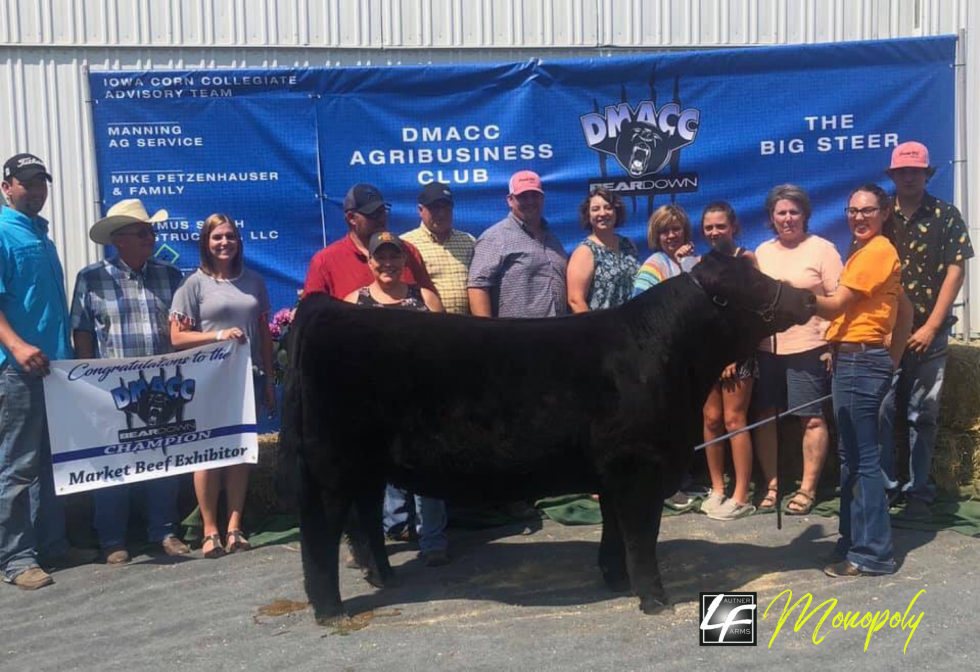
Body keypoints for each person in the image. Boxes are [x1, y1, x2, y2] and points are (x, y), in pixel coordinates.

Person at [70, 199, 191, 564]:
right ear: (119, 239)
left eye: (151, 231)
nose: (150, 237)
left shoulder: (170, 275)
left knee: (163, 459)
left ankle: (163, 531)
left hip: (161, 385)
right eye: (143, 232)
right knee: (112, 462)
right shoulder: (91, 278)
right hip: (112, 389)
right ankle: (111, 539)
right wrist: (86, 381)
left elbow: (181, 330)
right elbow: (83, 332)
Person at [0, 153, 95, 590]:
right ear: (6, 186)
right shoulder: (2, 230)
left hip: (51, 368)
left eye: (41, 184)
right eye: (26, 183)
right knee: (18, 467)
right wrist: (17, 346)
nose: (36, 191)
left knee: (51, 462)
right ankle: (16, 558)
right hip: (17, 369)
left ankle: (51, 544)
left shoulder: (41, 235)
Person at [815, 184, 912, 577]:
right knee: (851, 458)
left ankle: (872, 553)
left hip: (859, 362)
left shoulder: (877, 251)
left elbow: (837, 304)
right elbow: (905, 309)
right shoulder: (867, 253)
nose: (858, 217)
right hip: (854, 359)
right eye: (852, 210)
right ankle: (854, 541)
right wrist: (890, 358)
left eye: (867, 210)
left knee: (864, 460)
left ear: (884, 211)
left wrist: (791, 298)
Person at [170, 213, 276, 558]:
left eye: (230, 236)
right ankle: (209, 530)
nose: (224, 242)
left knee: (240, 453)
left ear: (238, 241)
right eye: (217, 237)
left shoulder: (255, 281)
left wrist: (271, 380)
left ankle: (234, 527)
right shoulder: (193, 284)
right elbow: (176, 337)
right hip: (207, 381)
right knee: (208, 454)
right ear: (206, 242)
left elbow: (263, 333)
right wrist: (218, 336)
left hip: (248, 380)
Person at [878, 142, 974, 519]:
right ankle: (884, 486)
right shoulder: (880, 215)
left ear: (926, 174)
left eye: (915, 170)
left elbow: (956, 269)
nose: (908, 176)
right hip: (886, 335)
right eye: (902, 171)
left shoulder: (946, 214)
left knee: (924, 414)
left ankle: (919, 490)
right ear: (893, 175)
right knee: (884, 411)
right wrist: (884, 329)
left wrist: (933, 324)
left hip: (930, 335)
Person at [343, 231, 448, 566]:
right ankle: (388, 532)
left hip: (422, 403)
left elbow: (450, 351)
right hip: (373, 406)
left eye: (394, 256)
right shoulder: (352, 303)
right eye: (381, 257)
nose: (388, 263)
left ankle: (433, 541)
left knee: (429, 472)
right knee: (374, 474)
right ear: (370, 261)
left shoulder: (427, 299)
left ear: (405, 261)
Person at [752, 185, 843, 516]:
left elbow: (840, 301)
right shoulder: (761, 253)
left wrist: (832, 343)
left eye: (794, 212)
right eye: (781, 213)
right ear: (771, 218)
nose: (787, 219)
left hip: (809, 348)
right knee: (763, 418)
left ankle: (807, 489)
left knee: (812, 420)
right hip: (766, 350)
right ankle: (772, 485)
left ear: (805, 215)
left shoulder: (823, 250)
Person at [698, 202, 760, 521]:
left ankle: (741, 495)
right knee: (711, 419)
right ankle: (717, 488)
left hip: (738, 354)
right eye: (708, 227)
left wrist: (734, 355)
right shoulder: (701, 262)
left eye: (720, 226)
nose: (714, 232)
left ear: (733, 226)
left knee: (735, 420)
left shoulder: (746, 259)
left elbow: (753, 313)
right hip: (710, 354)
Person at [304, 183, 436, 300]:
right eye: (371, 214)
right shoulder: (325, 261)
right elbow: (312, 316)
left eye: (382, 212)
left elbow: (429, 299)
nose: (380, 218)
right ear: (351, 218)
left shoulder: (407, 250)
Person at [468, 170, 568, 318]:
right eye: (523, 196)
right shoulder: (495, 236)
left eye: (535, 195)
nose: (530, 201)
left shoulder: (553, 240)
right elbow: (477, 286)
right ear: (510, 200)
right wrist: (487, 333)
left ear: (542, 198)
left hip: (557, 331)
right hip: (516, 334)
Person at [401, 182, 475, 315]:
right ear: (420, 210)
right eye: (434, 208)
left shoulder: (469, 241)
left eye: (446, 207)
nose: (441, 213)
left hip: (466, 324)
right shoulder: (406, 244)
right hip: (427, 325)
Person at [567, 186, 639, 312]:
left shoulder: (628, 245)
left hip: (631, 327)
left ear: (616, 212)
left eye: (608, 208)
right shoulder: (585, 251)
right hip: (601, 328)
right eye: (595, 209)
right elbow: (575, 300)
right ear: (588, 215)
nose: (602, 213)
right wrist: (593, 330)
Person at [631, 204, 697, 297]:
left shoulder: (693, 262)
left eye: (676, 229)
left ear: (685, 231)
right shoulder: (652, 267)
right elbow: (638, 308)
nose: (671, 235)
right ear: (657, 236)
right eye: (664, 231)